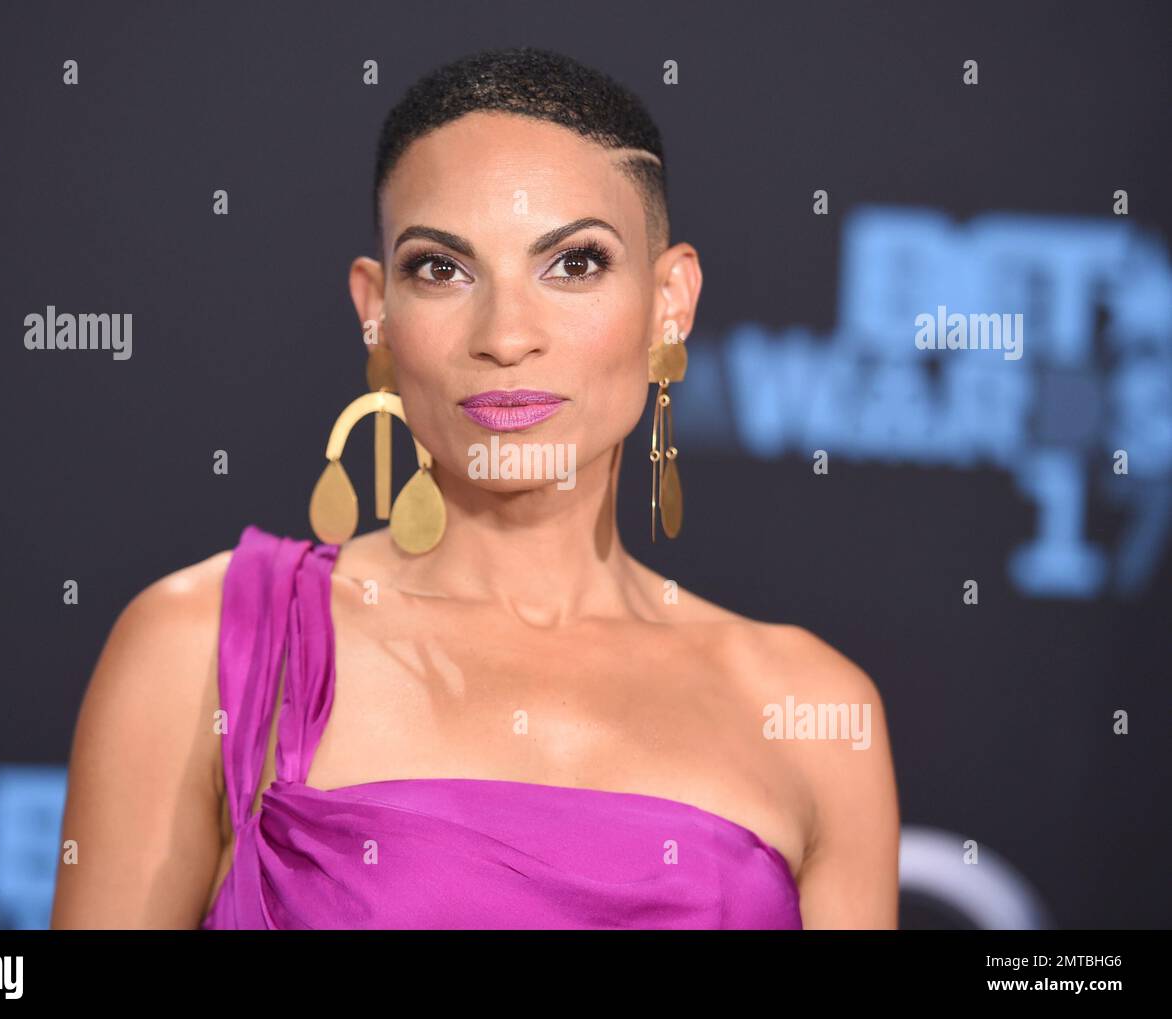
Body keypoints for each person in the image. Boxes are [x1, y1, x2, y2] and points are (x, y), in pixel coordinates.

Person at [50, 46, 899, 930]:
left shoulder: (813, 711)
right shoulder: (207, 647)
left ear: (669, 301)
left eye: (573, 263)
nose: (505, 335)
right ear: (375, 311)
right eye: (441, 269)